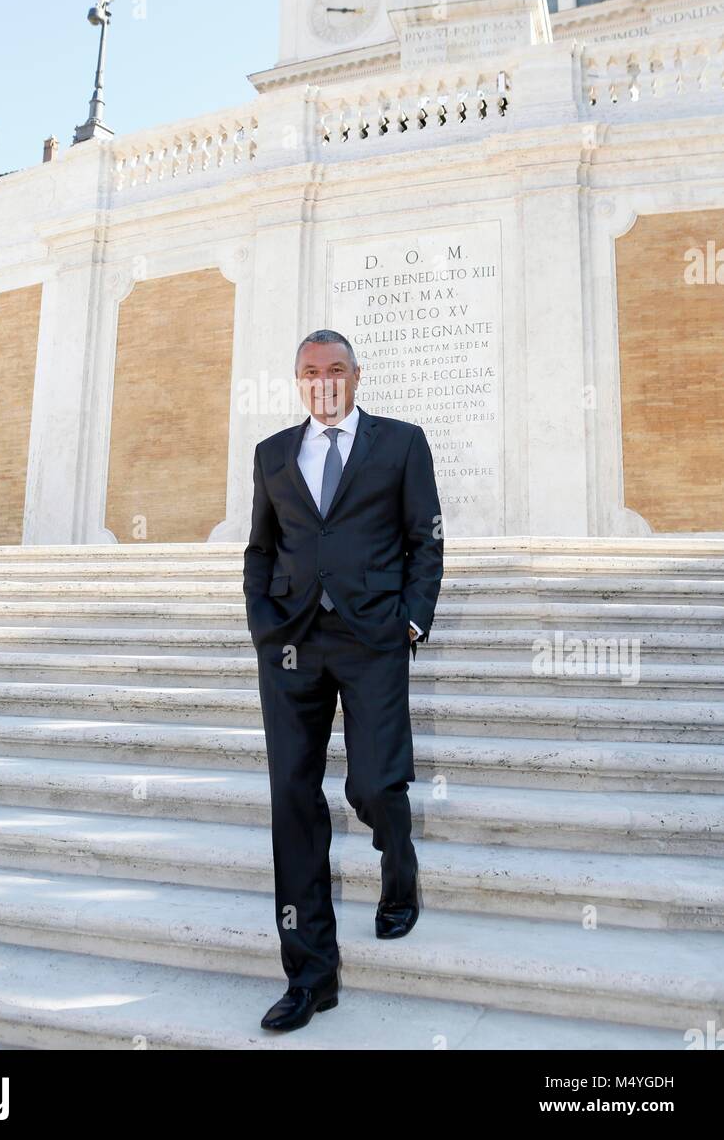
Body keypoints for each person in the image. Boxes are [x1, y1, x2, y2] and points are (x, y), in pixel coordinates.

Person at [243, 329, 444, 1032]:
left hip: (373, 640)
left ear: (356, 377)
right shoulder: (273, 453)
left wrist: (411, 621)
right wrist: (264, 624)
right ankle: (310, 976)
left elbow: (427, 538)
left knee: (374, 785)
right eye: (309, 371)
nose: (322, 380)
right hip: (292, 645)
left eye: (334, 369)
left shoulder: (401, 443)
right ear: (297, 381)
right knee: (293, 802)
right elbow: (261, 546)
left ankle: (400, 867)